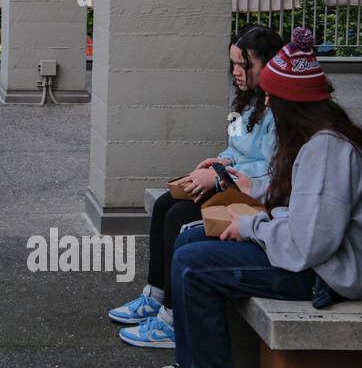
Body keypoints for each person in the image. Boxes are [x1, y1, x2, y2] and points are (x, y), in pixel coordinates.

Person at [161, 28, 362, 368]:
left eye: (272, 98)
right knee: (189, 237)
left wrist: (251, 227)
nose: (268, 104)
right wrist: (260, 212)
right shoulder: (316, 140)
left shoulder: (327, 150)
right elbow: (302, 217)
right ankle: (195, 367)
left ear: (289, 104)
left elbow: (310, 244)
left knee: (193, 264)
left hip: (323, 275)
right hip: (308, 257)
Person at [110, 25, 284, 349]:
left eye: (244, 65)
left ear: (270, 64)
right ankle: (157, 295)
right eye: (233, 64)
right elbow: (235, 150)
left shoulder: (279, 110)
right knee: (165, 204)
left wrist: (220, 177)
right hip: (232, 185)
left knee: (180, 218)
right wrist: (216, 163)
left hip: (257, 199)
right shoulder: (246, 103)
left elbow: (273, 169)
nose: (237, 72)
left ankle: (173, 321)